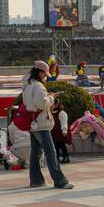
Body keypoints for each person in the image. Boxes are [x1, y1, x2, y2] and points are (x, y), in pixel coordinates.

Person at [21, 61, 72, 190]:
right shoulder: (38, 86)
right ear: (39, 72)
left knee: (36, 153)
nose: (45, 76)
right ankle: (60, 181)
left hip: (33, 123)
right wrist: (51, 98)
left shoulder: (27, 85)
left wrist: (47, 97)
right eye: (44, 73)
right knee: (51, 152)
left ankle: (36, 180)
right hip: (41, 123)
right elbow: (42, 104)